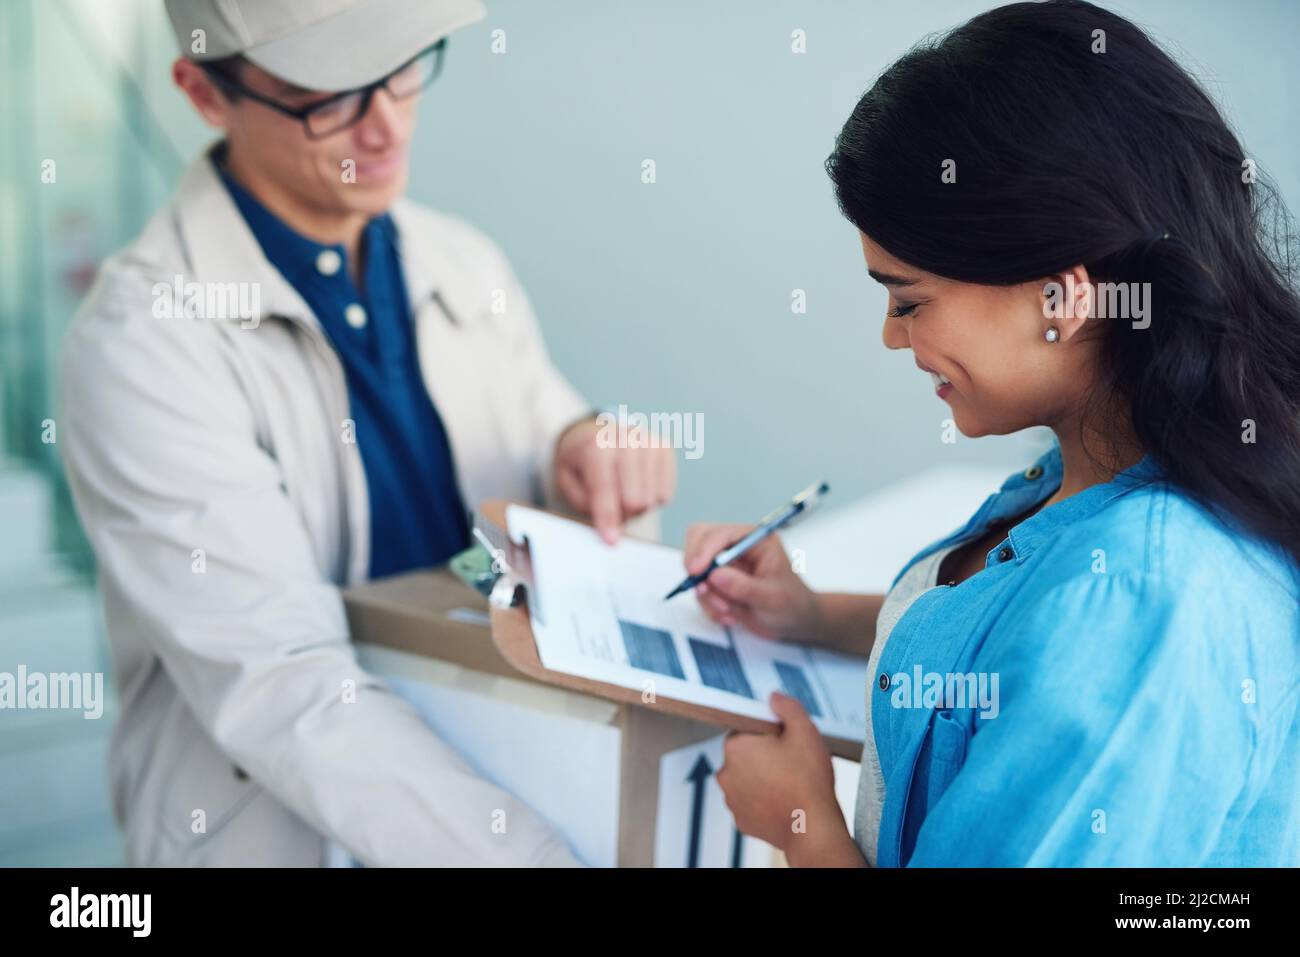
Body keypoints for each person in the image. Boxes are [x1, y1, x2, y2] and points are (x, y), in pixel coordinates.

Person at [60, 0, 674, 866]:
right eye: (329, 95)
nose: (385, 124)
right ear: (203, 91)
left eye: (399, 66)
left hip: (506, 787)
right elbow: (286, 687)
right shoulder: (143, 341)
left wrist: (585, 450)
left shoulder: (462, 263)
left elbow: (555, 449)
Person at [687, 0, 1300, 867]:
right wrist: (810, 614)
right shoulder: (1096, 471)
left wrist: (801, 824)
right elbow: (1014, 643)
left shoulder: (1143, 598)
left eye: (909, 301)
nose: (892, 337)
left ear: (1063, 297)